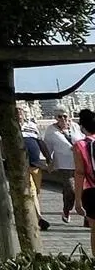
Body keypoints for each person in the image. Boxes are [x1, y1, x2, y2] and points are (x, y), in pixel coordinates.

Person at [44, 106, 83, 224]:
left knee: (84, 191)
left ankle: (87, 216)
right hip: (64, 165)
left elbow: (85, 141)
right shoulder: (51, 130)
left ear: (69, 116)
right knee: (70, 190)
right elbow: (47, 147)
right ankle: (67, 210)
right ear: (55, 118)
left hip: (80, 163)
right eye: (59, 116)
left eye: (65, 116)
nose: (62, 119)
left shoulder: (76, 127)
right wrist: (48, 162)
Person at [17, 106, 50, 230]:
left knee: (36, 191)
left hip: (35, 165)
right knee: (31, 191)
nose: (19, 114)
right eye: (16, 112)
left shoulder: (31, 126)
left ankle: (28, 215)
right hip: (20, 165)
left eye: (21, 112)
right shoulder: (7, 128)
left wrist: (48, 159)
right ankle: (39, 218)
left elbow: (40, 142)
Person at [72, 108, 95, 255]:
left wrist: (78, 200)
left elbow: (80, 173)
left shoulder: (80, 146)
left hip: (91, 192)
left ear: (82, 127)